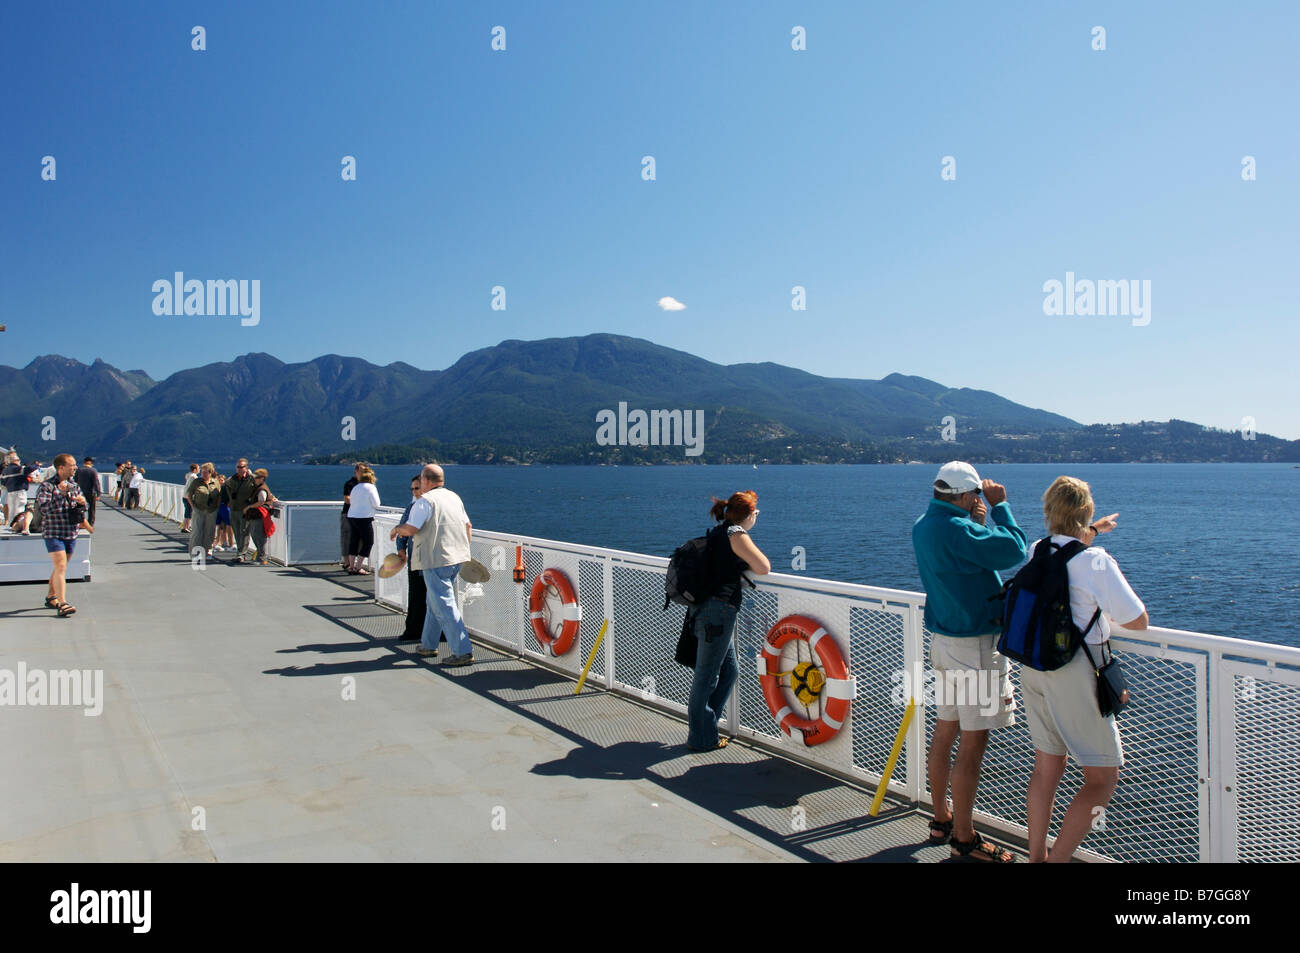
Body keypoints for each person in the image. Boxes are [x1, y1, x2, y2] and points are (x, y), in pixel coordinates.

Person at [912, 461, 1027, 862]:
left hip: (944, 641)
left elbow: (968, 552)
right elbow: (1014, 550)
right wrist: (1000, 509)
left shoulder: (924, 526)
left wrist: (976, 519)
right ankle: (964, 837)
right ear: (963, 496)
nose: (980, 498)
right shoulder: (958, 529)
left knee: (946, 731)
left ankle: (940, 817)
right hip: (975, 646)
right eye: (975, 494)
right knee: (974, 741)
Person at [1021, 476, 1140, 862]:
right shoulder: (1096, 561)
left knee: (1046, 767)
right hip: (1076, 673)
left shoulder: (1037, 550)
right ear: (1086, 512)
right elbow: (1137, 620)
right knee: (1102, 779)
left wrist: (1091, 531)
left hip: (1035, 667)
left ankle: (1036, 856)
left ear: (1049, 511)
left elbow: (1066, 553)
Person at [686, 490, 770, 751]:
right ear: (748, 515)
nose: (756, 517)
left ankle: (707, 726)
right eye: (755, 513)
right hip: (718, 613)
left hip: (706, 610)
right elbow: (763, 567)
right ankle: (700, 739)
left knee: (730, 672)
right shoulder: (736, 534)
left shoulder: (719, 531)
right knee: (706, 677)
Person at [390, 464, 475, 666]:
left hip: (435, 559)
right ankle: (428, 644)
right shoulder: (455, 497)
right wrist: (464, 549)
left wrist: (396, 529)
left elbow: (411, 529)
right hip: (456, 557)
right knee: (434, 602)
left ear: (425, 480)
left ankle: (463, 651)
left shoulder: (425, 501)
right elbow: (468, 526)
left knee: (444, 604)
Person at [37, 453, 89, 617]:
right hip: (53, 532)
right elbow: (44, 509)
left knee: (61, 566)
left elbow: (80, 510)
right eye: (72, 465)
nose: (75, 468)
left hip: (70, 532)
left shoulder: (75, 486)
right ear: (61, 468)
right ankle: (63, 603)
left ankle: (51, 596)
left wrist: (82, 504)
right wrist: (59, 494)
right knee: (60, 566)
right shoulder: (47, 487)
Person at [393, 474, 439, 645]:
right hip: (416, 558)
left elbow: (405, 528)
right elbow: (402, 527)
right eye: (412, 488)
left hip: (430, 558)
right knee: (417, 595)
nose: (414, 491)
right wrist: (401, 549)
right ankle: (414, 630)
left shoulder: (427, 505)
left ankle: (431, 633)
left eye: (417, 488)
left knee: (432, 597)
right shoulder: (412, 506)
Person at [345, 465, 380, 574]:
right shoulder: (371, 487)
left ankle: (351, 566)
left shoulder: (356, 487)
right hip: (364, 518)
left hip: (352, 517)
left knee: (354, 541)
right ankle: (358, 567)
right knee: (368, 542)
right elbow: (377, 503)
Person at [241, 468, 278, 566]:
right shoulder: (260, 487)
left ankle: (262, 558)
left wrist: (249, 507)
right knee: (255, 535)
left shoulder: (262, 489)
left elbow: (261, 501)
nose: (255, 479)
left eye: (257, 477)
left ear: (262, 478)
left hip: (260, 515)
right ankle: (260, 557)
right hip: (257, 515)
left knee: (259, 536)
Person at [186, 463, 221, 558]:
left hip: (212, 510)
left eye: (205, 472)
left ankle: (207, 550)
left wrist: (217, 507)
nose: (203, 474)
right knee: (197, 531)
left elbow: (219, 496)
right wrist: (193, 507)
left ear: (211, 472)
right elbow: (189, 495)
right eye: (202, 472)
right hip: (199, 509)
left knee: (209, 531)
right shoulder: (197, 482)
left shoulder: (216, 483)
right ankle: (195, 552)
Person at [226, 459, 257, 561]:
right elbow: (225, 491)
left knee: (244, 532)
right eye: (238, 467)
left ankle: (241, 554)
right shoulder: (231, 480)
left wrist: (271, 498)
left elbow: (261, 489)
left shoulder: (252, 479)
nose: (239, 469)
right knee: (237, 531)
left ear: (246, 468)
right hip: (234, 509)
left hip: (245, 510)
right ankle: (240, 552)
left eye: (241, 467)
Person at [341, 463, 363, 569]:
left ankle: (355, 563)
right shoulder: (350, 484)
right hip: (348, 514)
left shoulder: (365, 485)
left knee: (359, 539)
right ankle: (347, 563)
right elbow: (347, 499)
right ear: (356, 472)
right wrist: (360, 502)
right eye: (361, 471)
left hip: (359, 516)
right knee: (347, 538)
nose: (363, 473)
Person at [74, 457, 100, 527]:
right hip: (91, 492)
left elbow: (75, 481)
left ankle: (81, 523)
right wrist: (98, 493)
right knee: (92, 509)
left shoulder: (79, 470)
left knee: (80, 508)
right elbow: (96, 482)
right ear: (90, 463)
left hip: (80, 492)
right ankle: (90, 524)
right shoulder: (93, 470)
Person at [214, 473, 234, 550]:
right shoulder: (227, 488)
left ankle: (219, 542)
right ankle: (231, 544)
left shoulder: (219, 488)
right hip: (224, 507)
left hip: (219, 507)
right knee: (229, 525)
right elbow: (231, 498)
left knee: (220, 526)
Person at [181, 463, 199, 532]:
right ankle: (186, 527)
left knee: (187, 511)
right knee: (189, 512)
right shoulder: (194, 477)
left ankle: (186, 526)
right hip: (189, 497)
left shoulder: (188, 475)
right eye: (198, 468)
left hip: (184, 496)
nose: (199, 470)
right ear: (195, 469)